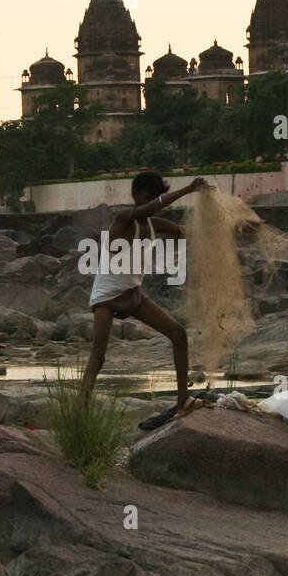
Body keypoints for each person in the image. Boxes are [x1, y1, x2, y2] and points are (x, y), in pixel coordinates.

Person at [81, 171, 209, 417]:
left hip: (132, 293)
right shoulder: (124, 218)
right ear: (136, 195)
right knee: (98, 357)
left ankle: (183, 401)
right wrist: (187, 190)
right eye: (147, 197)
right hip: (106, 296)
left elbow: (185, 231)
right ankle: (81, 411)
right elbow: (152, 208)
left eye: (155, 197)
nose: (152, 202)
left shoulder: (154, 225)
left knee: (178, 334)